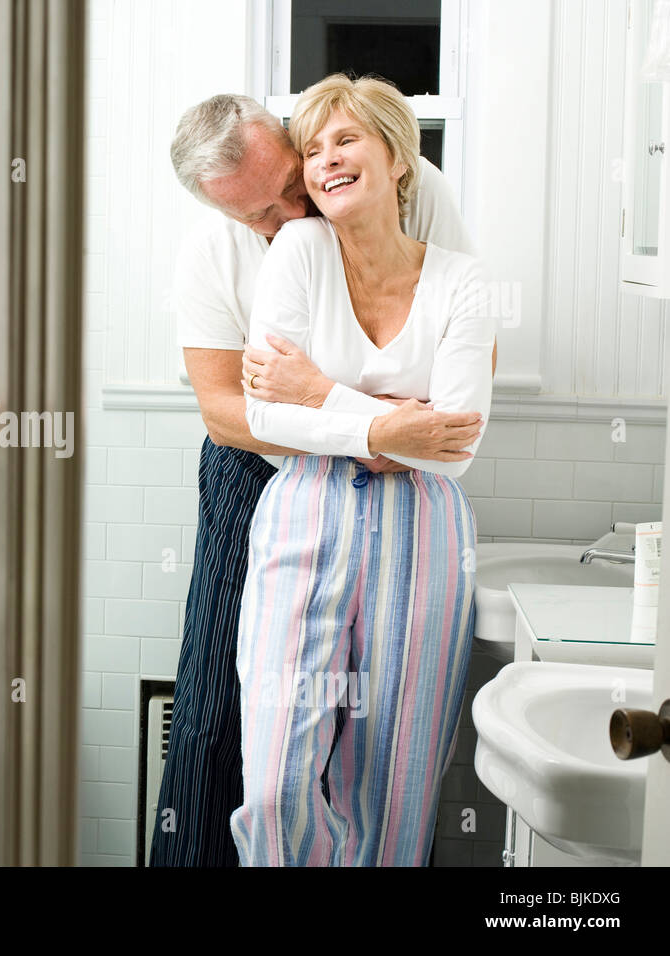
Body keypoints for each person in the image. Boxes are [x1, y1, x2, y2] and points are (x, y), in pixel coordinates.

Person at [149, 89, 495, 868]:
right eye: (258, 216)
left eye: (288, 188)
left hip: (404, 483)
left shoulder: (410, 190)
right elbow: (230, 410)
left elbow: (459, 394)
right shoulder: (220, 254)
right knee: (214, 708)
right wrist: (377, 427)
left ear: (291, 141)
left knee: (390, 747)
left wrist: (352, 418)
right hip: (260, 468)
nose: (287, 217)